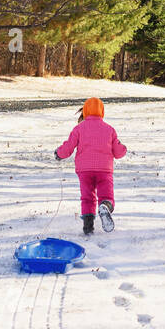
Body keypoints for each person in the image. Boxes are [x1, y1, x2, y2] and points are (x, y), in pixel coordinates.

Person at [55, 97, 127, 234]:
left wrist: (59, 153)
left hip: (84, 170)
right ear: (102, 111)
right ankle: (105, 206)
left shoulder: (78, 128)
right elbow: (118, 152)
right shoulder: (109, 129)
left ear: (86, 111)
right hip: (104, 170)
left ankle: (88, 227)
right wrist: (123, 148)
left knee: (87, 197)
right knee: (106, 195)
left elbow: (68, 147)